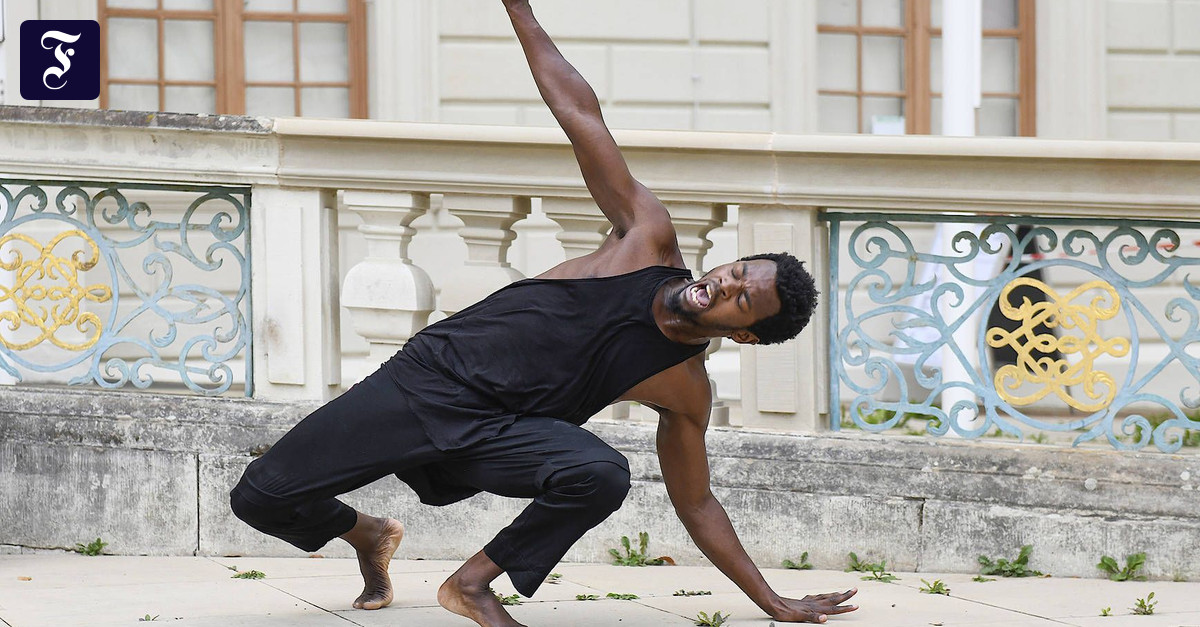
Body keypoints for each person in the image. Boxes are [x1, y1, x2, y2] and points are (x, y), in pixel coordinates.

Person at [229, 1, 857, 624]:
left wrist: (771, 601)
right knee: (260, 498)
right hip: (425, 382)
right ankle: (367, 535)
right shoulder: (643, 239)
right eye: (736, 270)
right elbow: (579, 111)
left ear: (744, 333)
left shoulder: (682, 385)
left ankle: (473, 584)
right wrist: (519, 8)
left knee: (602, 473)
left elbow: (697, 505)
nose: (723, 284)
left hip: (491, 436)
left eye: (742, 298)